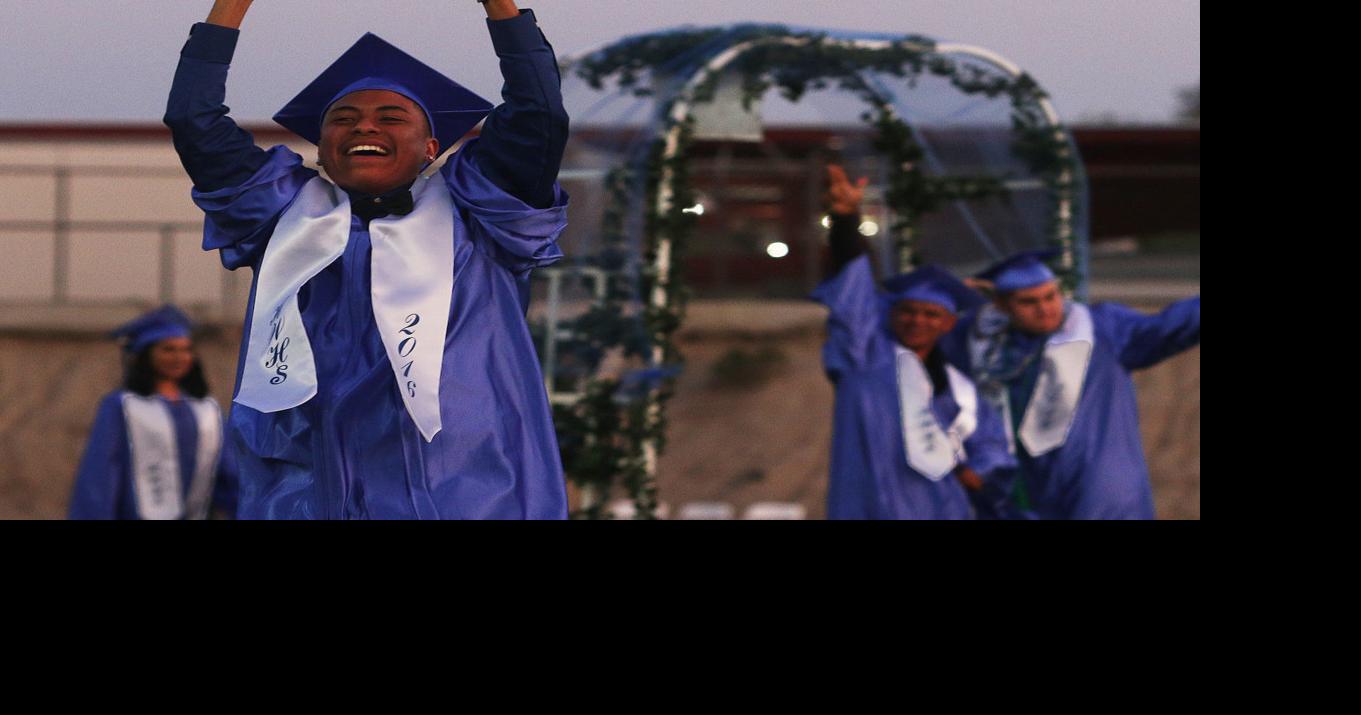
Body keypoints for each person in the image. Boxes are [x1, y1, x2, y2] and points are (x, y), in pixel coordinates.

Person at [163, 0, 569, 518]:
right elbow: (193, 120)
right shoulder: (285, 219)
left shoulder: (481, 216)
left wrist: (501, 8)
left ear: (430, 146)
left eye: (390, 117)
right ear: (322, 147)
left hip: (466, 494)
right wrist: (231, 7)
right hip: (309, 494)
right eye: (344, 119)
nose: (364, 128)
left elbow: (539, 113)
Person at [812, 166, 1015, 520]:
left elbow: (992, 447)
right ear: (892, 313)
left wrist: (978, 471)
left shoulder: (958, 390)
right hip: (866, 506)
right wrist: (845, 220)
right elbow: (853, 296)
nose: (918, 320)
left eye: (931, 315)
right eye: (908, 311)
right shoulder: (865, 358)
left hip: (939, 509)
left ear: (949, 323)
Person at [938, 250, 1201, 519]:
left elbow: (1171, 325)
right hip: (1024, 493)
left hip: (1098, 492)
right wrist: (953, 295)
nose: (1044, 309)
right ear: (1002, 306)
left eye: (1051, 296)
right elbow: (919, 332)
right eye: (1028, 302)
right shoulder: (979, 341)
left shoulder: (1101, 329)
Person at [70, 306, 239, 520]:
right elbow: (101, 472)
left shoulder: (206, 409)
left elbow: (227, 471)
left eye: (186, 349)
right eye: (168, 349)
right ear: (146, 354)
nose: (179, 357)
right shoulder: (122, 406)